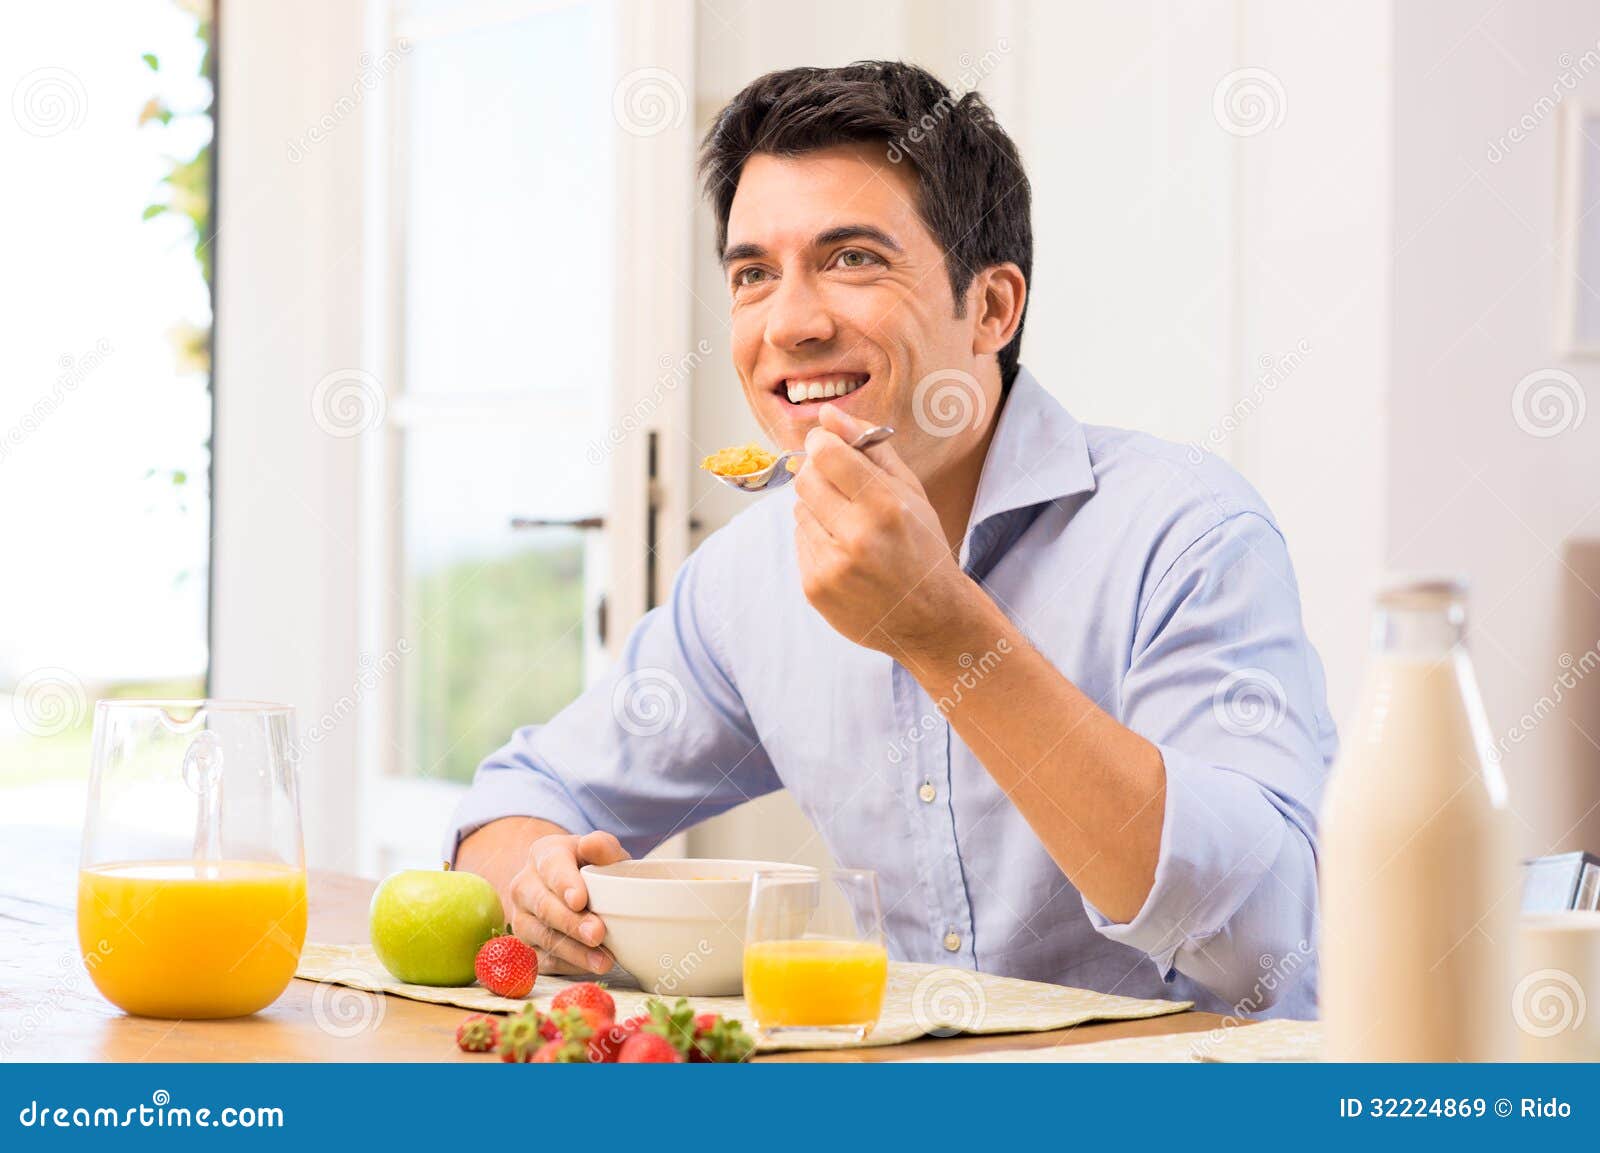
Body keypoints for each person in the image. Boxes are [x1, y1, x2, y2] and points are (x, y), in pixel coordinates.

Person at [452, 61, 1334, 1017]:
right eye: (754, 275)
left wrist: (943, 629)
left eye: (852, 258)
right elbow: (516, 802)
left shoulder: (1187, 533)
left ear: (992, 308)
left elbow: (1263, 949)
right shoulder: (748, 580)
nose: (789, 323)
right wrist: (539, 881)